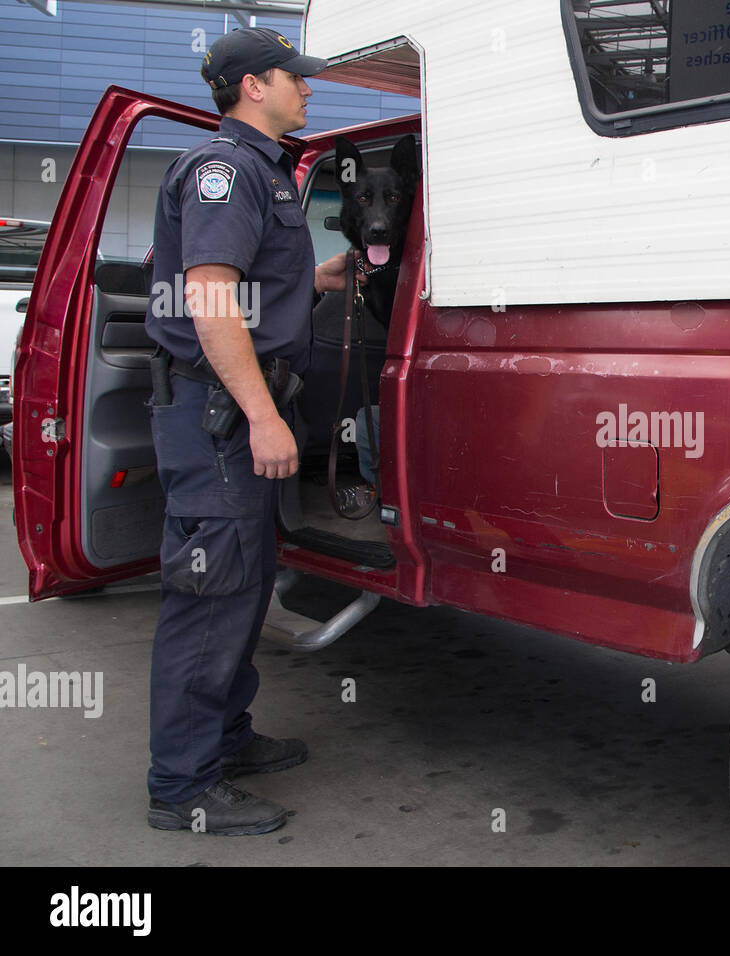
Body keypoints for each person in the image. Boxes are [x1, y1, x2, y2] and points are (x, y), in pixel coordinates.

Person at [143, 26, 350, 835]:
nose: (309, 88)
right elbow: (211, 298)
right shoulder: (225, 170)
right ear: (254, 87)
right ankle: (182, 787)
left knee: (245, 581)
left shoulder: (264, 171)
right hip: (221, 416)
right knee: (211, 591)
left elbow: (255, 284)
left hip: (232, 411)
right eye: (296, 78)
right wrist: (263, 416)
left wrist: (319, 278)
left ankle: (225, 737)